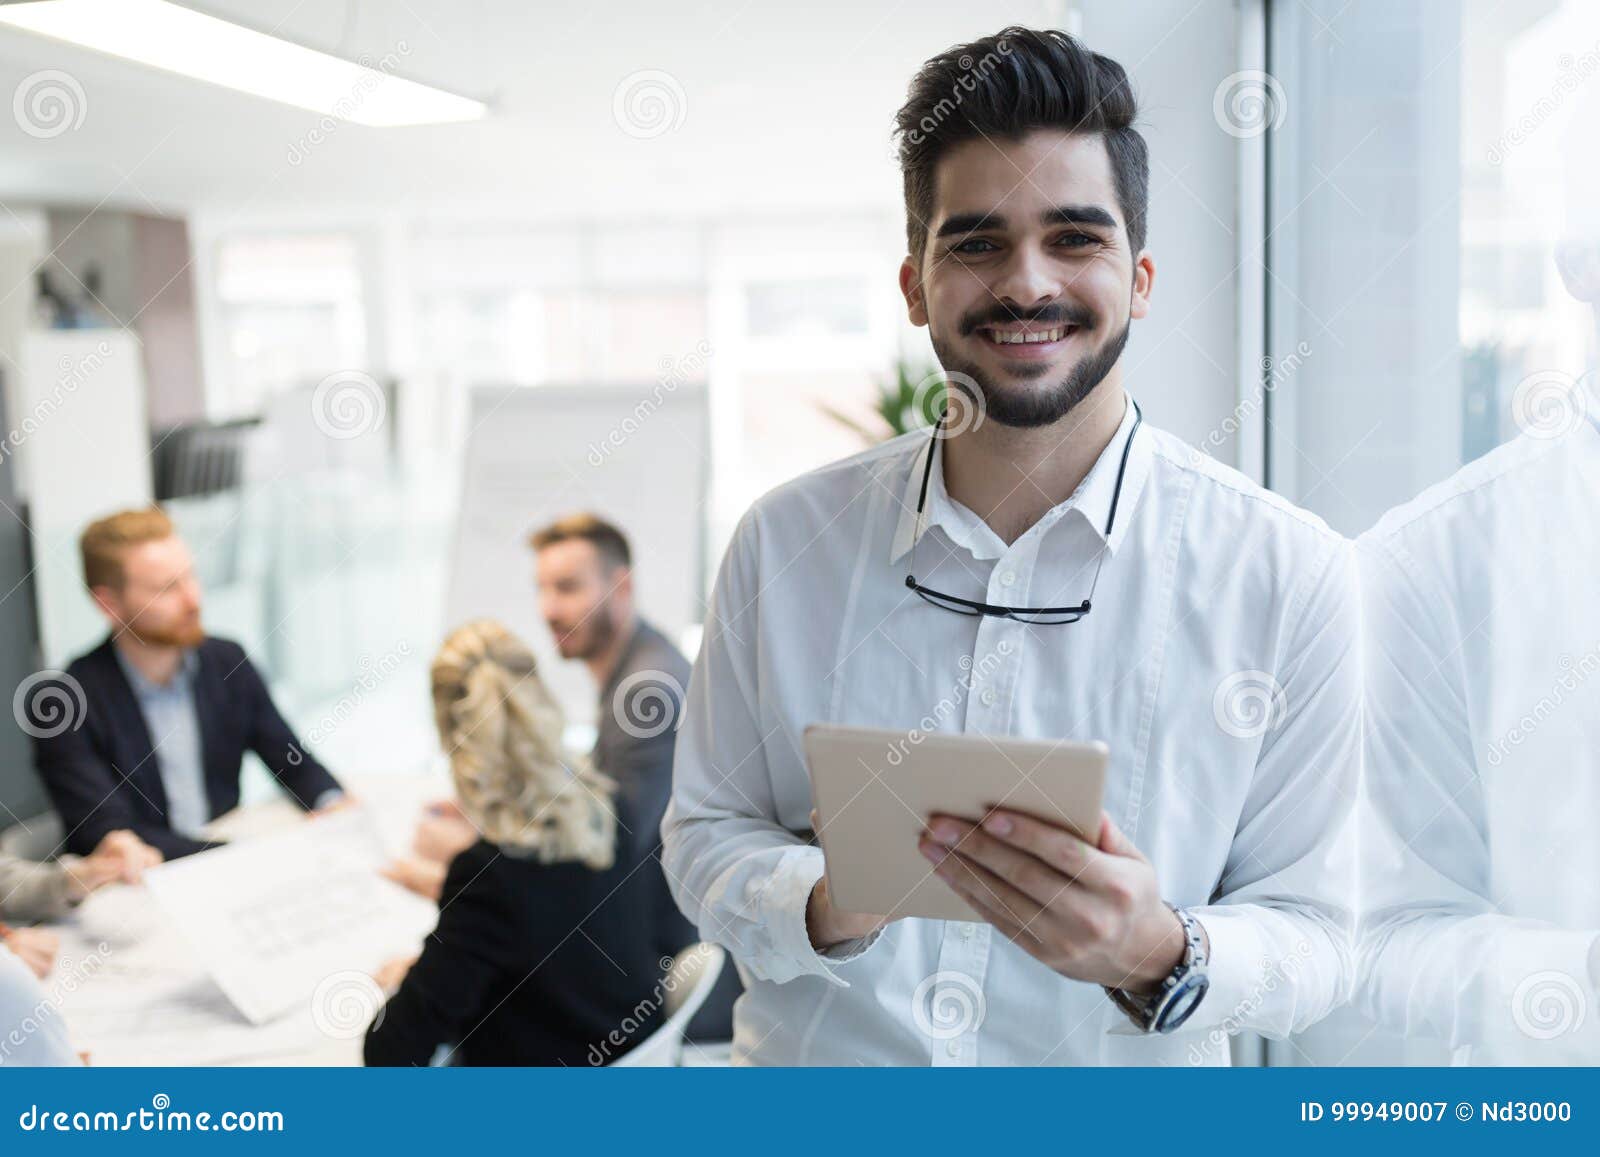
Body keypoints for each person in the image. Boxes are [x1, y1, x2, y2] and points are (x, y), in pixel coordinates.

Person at [662, 26, 1359, 1065]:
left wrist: (1160, 948)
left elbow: (1322, 934)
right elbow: (702, 836)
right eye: (977, 242)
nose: (1027, 282)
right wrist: (822, 898)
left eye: (1075, 237)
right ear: (914, 284)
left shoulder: (1288, 571)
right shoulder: (784, 541)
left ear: (1142, 275)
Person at [365, 621, 673, 1066]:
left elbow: (389, 1054)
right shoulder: (605, 806)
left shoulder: (488, 877)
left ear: (449, 731)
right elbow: (543, 929)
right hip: (631, 1052)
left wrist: (415, 980)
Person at [29, 507, 348, 860]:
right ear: (108, 603)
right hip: (137, 886)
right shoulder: (64, 704)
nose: (193, 600)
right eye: (167, 588)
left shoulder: (226, 663)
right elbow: (107, 833)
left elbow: (291, 760)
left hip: (220, 861)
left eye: (190, 577)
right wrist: (242, 854)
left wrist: (330, 802)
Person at [530, 513, 739, 1041]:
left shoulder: (647, 688)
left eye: (568, 588)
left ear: (620, 587)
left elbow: (610, 849)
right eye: (543, 589)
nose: (549, 609)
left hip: (657, 966)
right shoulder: (637, 669)